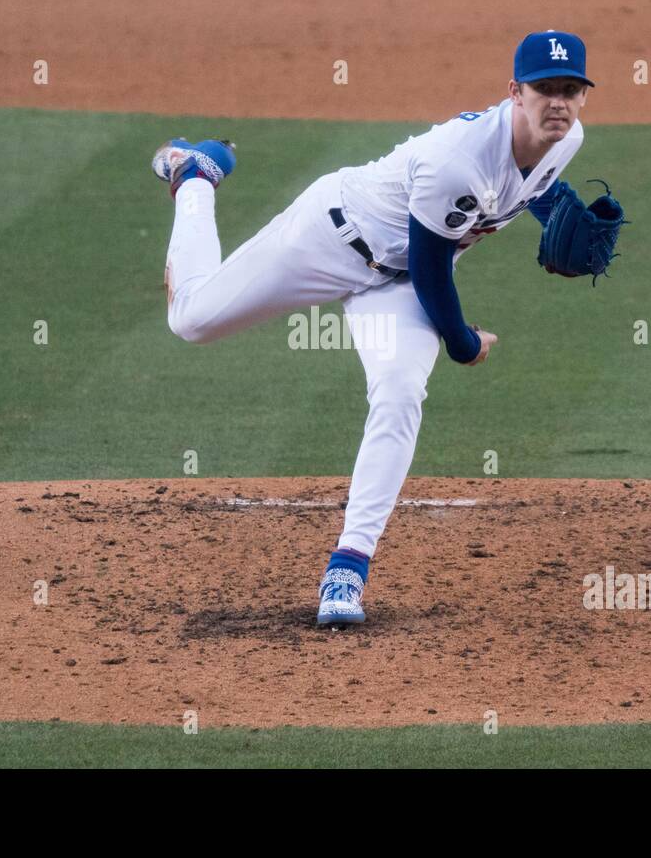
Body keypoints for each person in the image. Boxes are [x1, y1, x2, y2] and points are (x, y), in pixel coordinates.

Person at [153, 30, 594, 625]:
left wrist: (563, 220)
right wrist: (463, 344)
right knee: (192, 320)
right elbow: (436, 269)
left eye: (571, 90)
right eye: (546, 89)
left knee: (400, 392)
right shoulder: (458, 162)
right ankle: (196, 174)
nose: (559, 103)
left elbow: (533, 185)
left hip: (398, 282)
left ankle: (347, 569)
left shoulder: (568, 139)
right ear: (514, 91)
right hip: (327, 238)